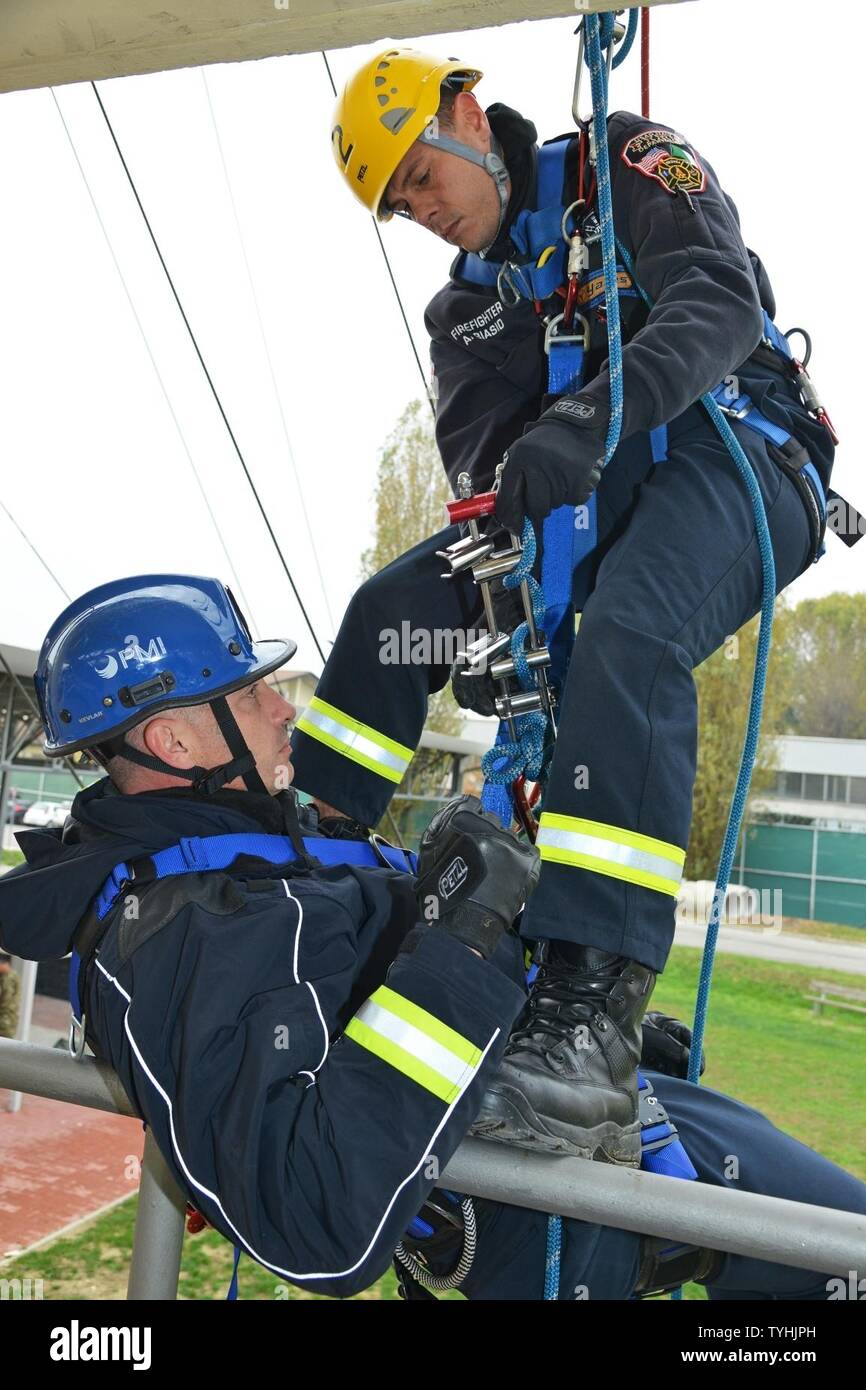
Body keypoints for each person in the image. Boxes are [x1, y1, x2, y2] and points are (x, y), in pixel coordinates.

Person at [1, 573, 864, 1301]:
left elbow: (359, 986)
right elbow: (314, 1219)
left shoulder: (251, 848)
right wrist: (466, 944)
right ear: (171, 738)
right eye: (251, 691)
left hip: (562, 1122)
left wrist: (560, 1022)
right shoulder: (186, 931)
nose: (281, 709)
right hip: (538, 1205)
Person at [290, 42, 844, 1165]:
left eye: (418, 177)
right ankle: (305, 871)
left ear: (463, 110)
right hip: (591, 495)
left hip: (742, 453)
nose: (421, 211)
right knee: (395, 613)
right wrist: (510, 527)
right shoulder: (465, 317)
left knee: (631, 636)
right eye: (397, 205)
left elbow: (716, 297)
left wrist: (595, 413)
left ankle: (591, 1014)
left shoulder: (619, 161)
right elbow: (483, 468)